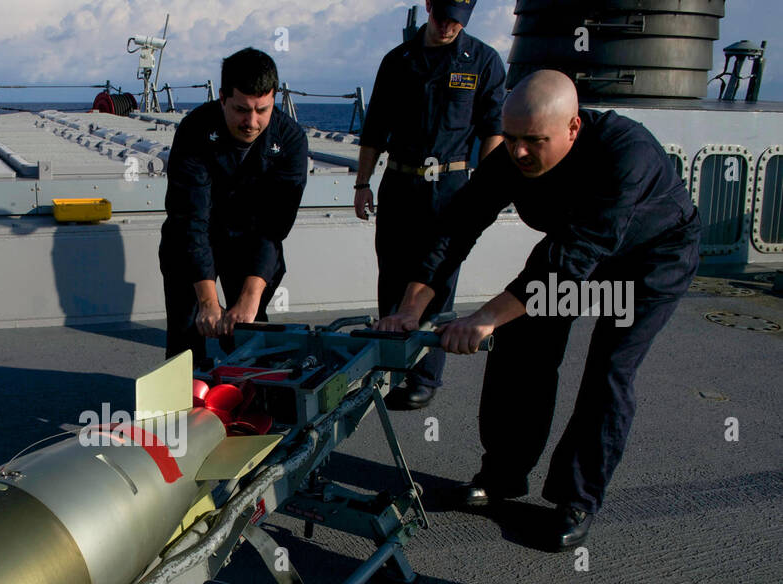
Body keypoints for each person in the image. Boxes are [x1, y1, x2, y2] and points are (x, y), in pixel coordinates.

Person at [379, 70, 701, 550]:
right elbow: (457, 225)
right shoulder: (512, 155)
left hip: (649, 261)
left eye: (534, 141)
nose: (519, 152)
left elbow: (571, 259)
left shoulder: (624, 152)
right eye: (510, 139)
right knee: (523, 345)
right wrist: (412, 307)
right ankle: (503, 475)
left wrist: (483, 318)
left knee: (609, 371)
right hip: (572, 254)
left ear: (573, 128)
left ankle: (577, 498)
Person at [357, 0, 505, 411]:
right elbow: (375, 128)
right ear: (428, 7)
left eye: (457, 21)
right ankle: (390, 366)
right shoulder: (399, 60)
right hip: (401, 183)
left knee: (438, 278)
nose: (448, 27)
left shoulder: (484, 61)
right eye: (442, 18)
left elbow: (492, 129)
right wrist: (362, 183)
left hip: (451, 187)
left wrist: (487, 188)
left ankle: (424, 377)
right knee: (393, 275)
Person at [160, 47, 308, 368]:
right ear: (223, 97)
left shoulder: (291, 140)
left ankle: (255, 405)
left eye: (262, 110)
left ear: (274, 100)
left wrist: (249, 297)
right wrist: (208, 303)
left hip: (252, 242)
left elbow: (274, 228)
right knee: (186, 335)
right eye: (241, 109)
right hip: (191, 242)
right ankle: (186, 405)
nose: (251, 122)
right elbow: (191, 221)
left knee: (248, 336)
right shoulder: (194, 130)